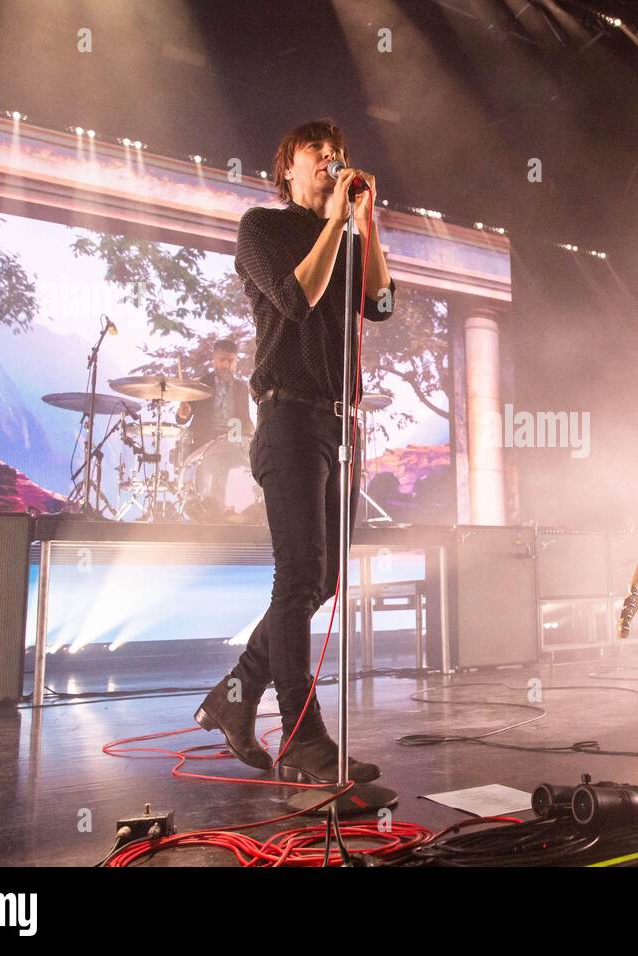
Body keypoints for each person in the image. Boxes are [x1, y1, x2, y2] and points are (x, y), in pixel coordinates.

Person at [193, 119, 395, 784]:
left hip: (340, 426)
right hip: (288, 420)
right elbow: (296, 300)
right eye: (320, 155)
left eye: (340, 155)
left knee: (322, 580)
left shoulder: (347, 235)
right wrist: (335, 225)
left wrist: (366, 222)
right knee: (298, 577)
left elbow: (381, 303)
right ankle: (303, 738)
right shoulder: (263, 228)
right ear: (288, 168)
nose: (333, 163)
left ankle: (234, 695)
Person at [174, 339, 254, 517]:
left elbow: (245, 419)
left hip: (231, 442)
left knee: (225, 483)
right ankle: (206, 515)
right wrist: (183, 413)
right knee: (205, 486)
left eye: (230, 361)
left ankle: (223, 517)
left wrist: (254, 433)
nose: (226, 365)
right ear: (214, 359)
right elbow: (181, 418)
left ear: (236, 361)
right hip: (203, 443)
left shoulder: (241, 388)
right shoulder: (201, 384)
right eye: (222, 360)